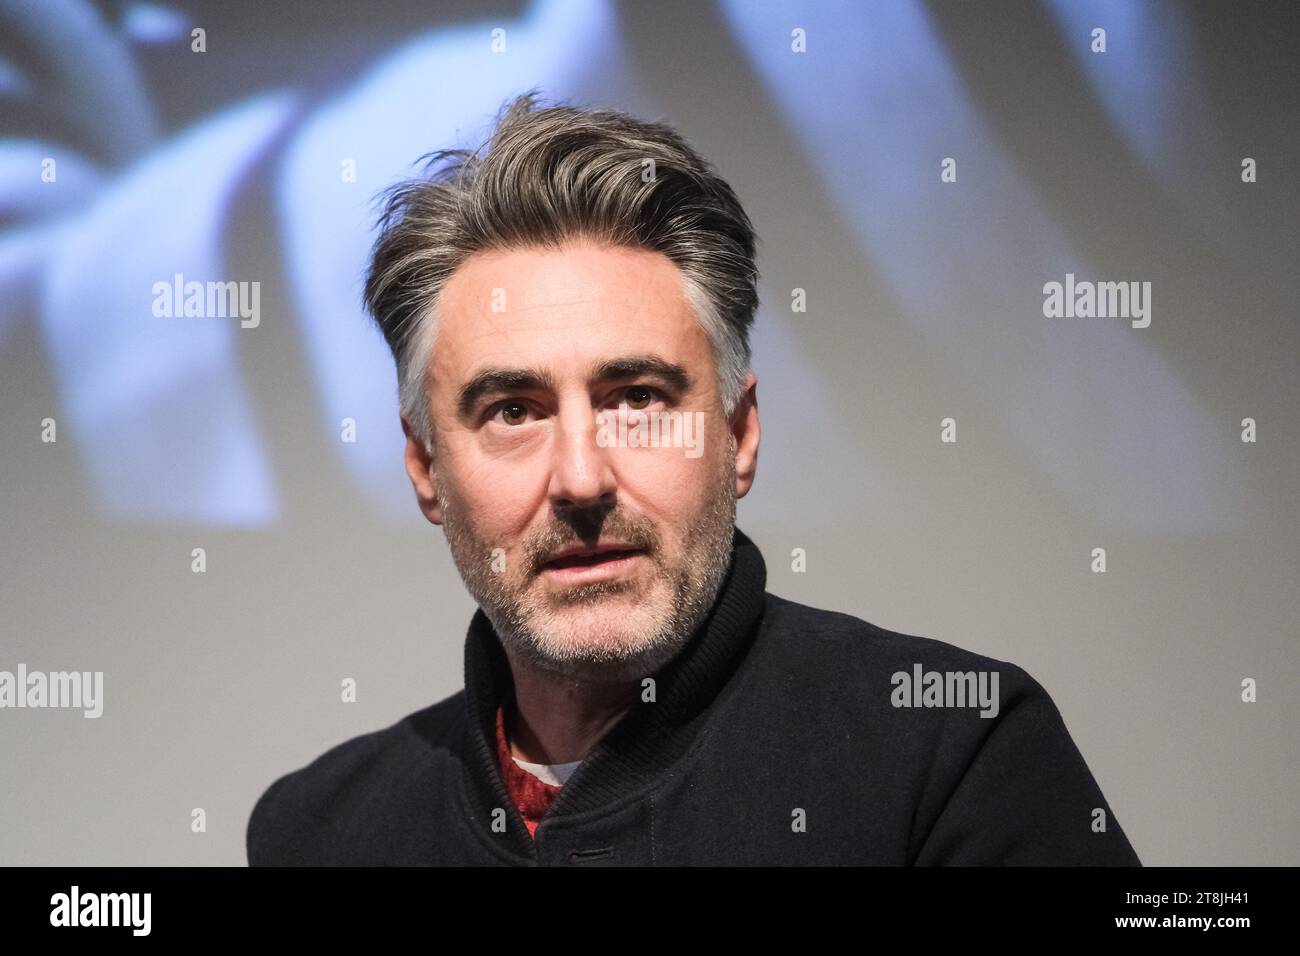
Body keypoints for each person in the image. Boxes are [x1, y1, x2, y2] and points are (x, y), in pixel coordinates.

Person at [246, 91, 1141, 866]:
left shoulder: (954, 759)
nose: (582, 478)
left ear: (740, 434)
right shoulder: (319, 830)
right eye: (514, 411)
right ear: (425, 468)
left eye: (637, 398)